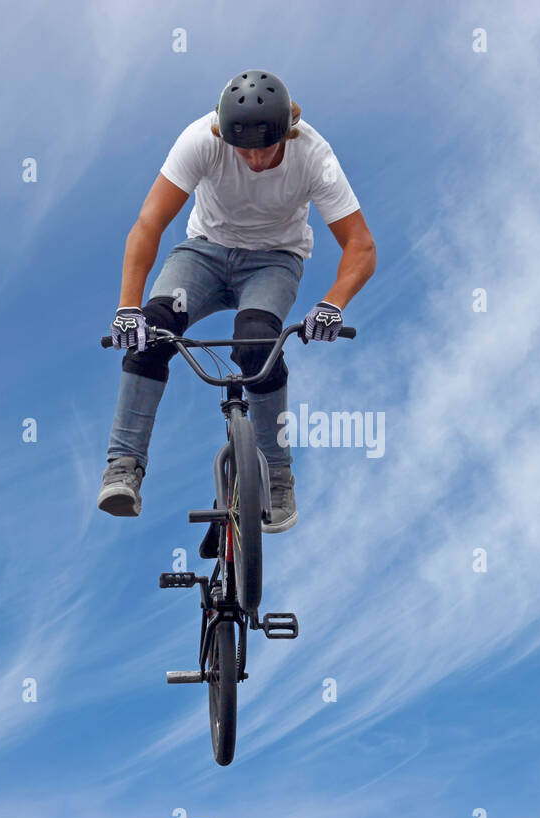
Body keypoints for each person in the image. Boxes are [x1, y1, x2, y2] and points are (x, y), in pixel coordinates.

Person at [99, 70, 376, 532]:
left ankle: (277, 474)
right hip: (203, 253)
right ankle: (123, 466)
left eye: (265, 147)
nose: (253, 158)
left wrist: (333, 303)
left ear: (287, 132)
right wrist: (128, 306)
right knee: (152, 331)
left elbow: (361, 246)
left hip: (273, 261)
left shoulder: (314, 156)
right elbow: (148, 224)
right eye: (241, 147)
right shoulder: (199, 140)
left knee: (255, 346)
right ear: (222, 134)